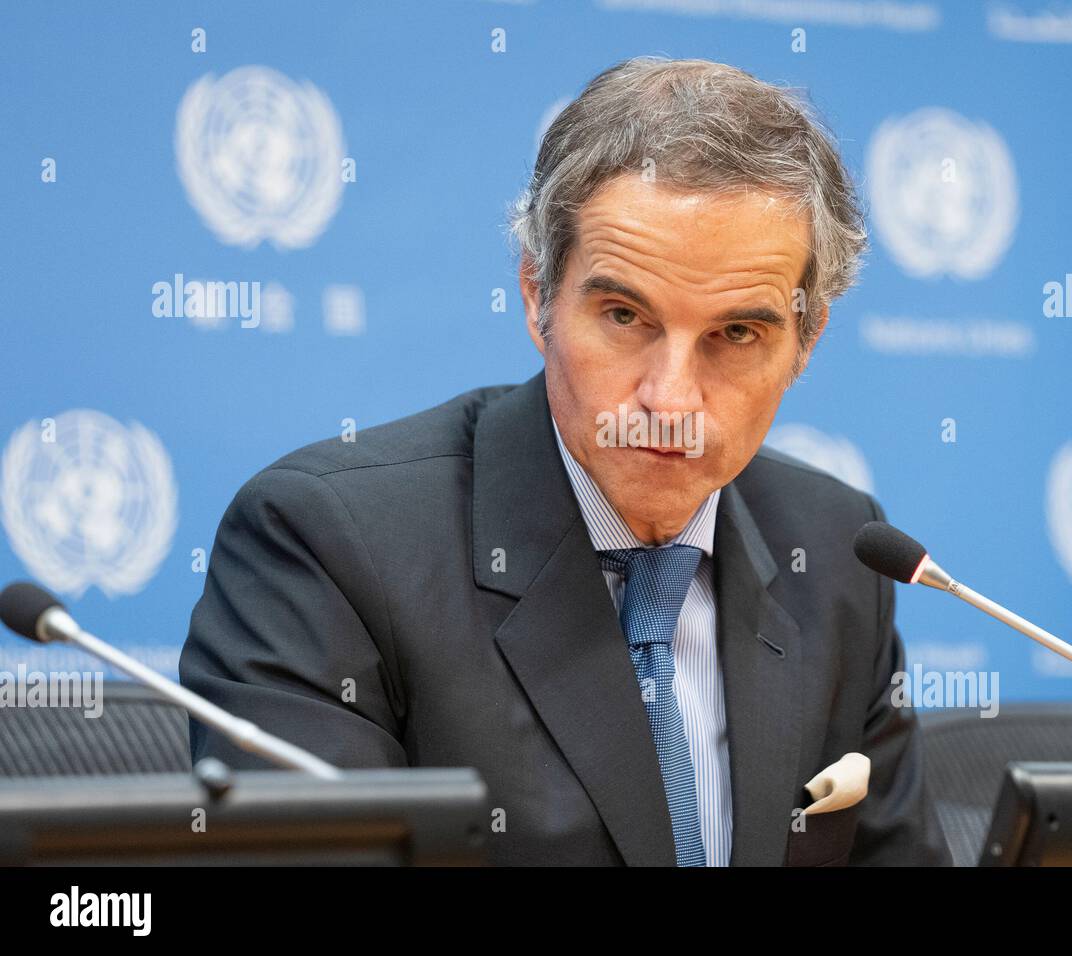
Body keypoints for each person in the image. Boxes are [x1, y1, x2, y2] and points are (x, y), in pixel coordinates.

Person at [180, 56, 952, 867]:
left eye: (736, 334)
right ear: (536, 296)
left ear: (808, 339)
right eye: (625, 315)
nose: (672, 401)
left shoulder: (838, 550)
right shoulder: (327, 544)